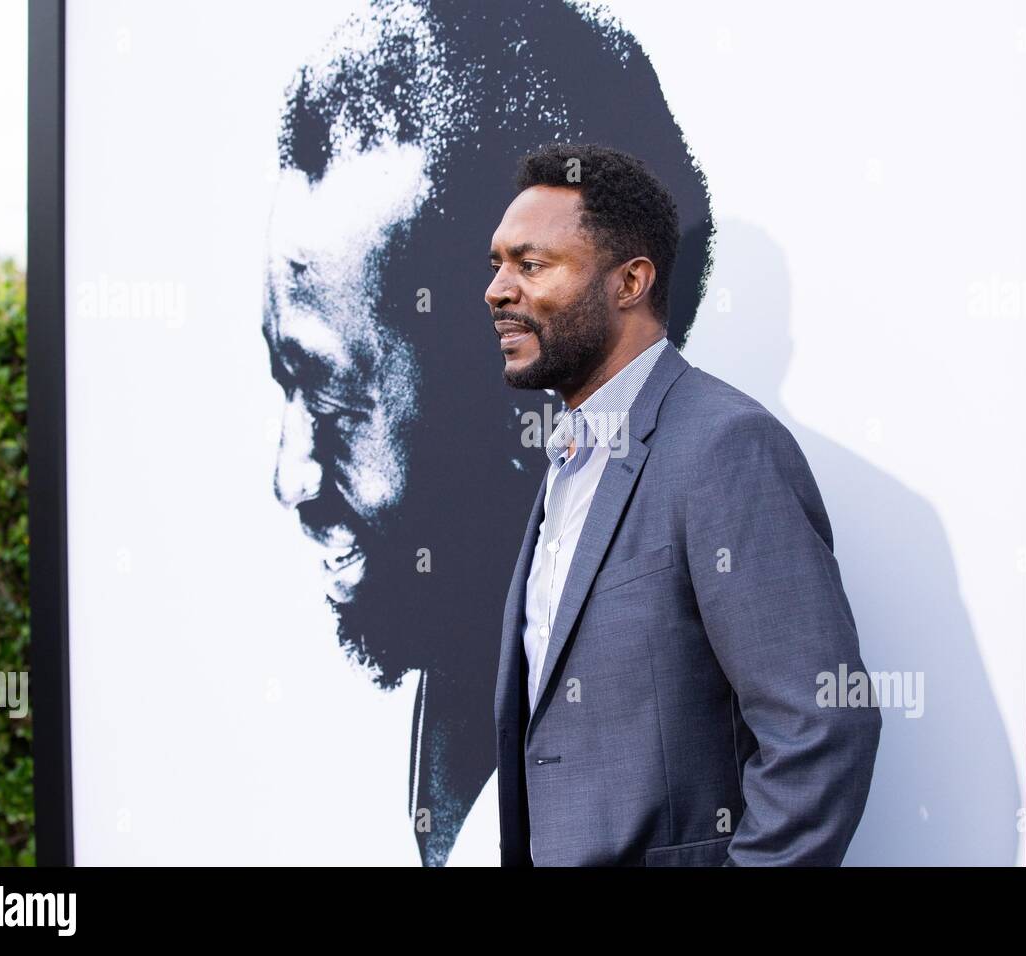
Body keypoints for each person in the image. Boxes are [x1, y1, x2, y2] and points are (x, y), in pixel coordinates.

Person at [262, 0, 714, 864]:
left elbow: (816, 735)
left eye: (329, 397)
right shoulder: (450, 674)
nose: (292, 477)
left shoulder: (721, 457)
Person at [488, 143, 882, 866]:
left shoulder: (724, 448)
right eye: (497, 265)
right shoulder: (570, 461)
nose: (498, 290)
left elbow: (823, 726)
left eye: (531, 265)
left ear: (631, 280)